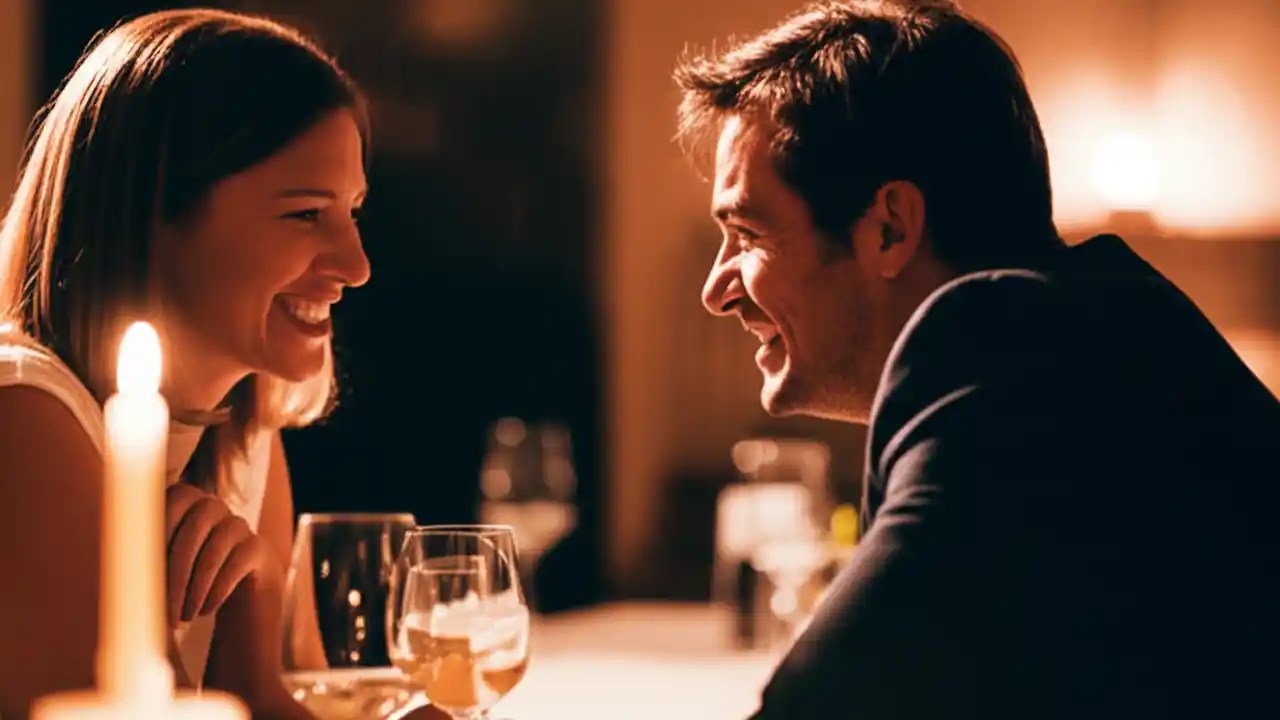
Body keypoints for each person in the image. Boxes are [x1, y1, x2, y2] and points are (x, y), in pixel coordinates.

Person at [677, 2, 1280, 718]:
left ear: (890, 227)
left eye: (747, 233)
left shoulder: (998, 352)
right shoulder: (1097, 330)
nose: (716, 290)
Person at [0, 9, 370, 718]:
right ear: (148, 213)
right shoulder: (23, 413)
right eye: (304, 215)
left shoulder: (245, 434)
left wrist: (255, 593)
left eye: (353, 212)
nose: (356, 266)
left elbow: (269, 706)